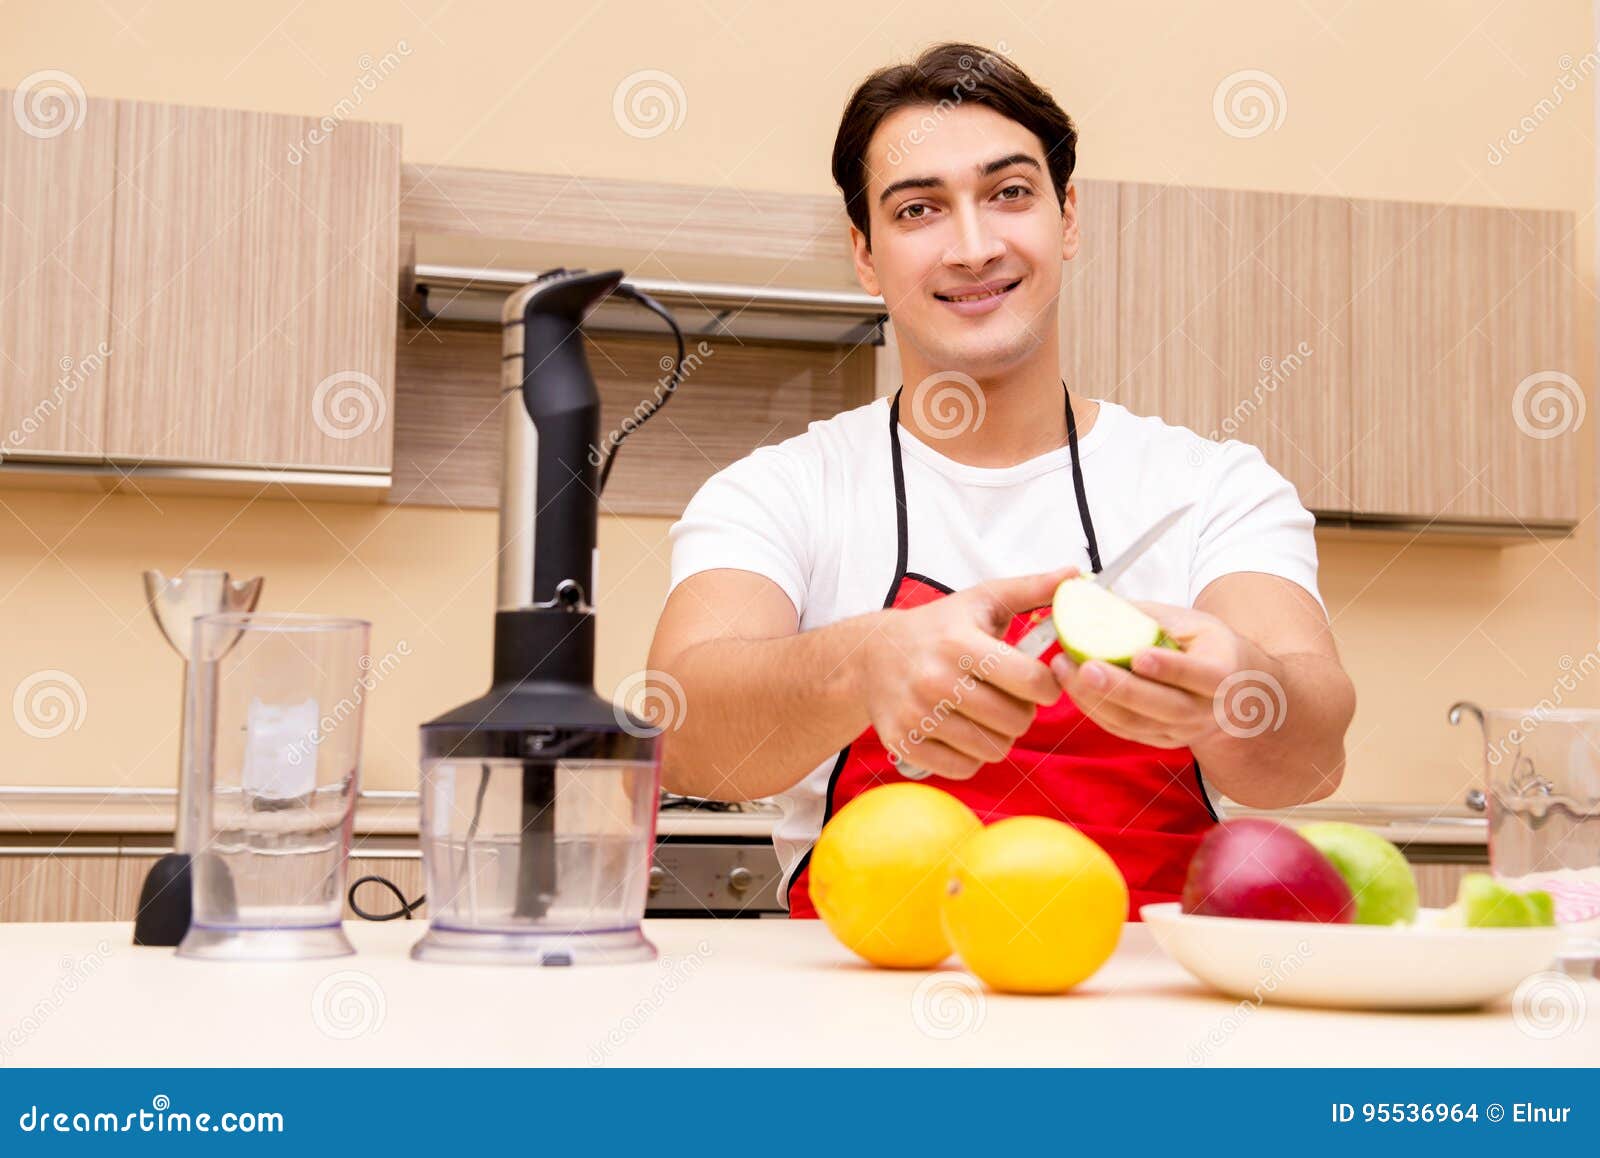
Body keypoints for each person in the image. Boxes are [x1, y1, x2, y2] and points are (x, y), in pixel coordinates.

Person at [646, 41, 1356, 919]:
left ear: (1067, 218)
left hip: (1153, 1008)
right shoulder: (779, 493)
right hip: (862, 1005)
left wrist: (1237, 688)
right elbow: (680, 739)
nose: (974, 246)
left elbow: (1314, 760)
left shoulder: (1213, 486)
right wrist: (863, 663)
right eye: (919, 210)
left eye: (1009, 193)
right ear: (865, 254)